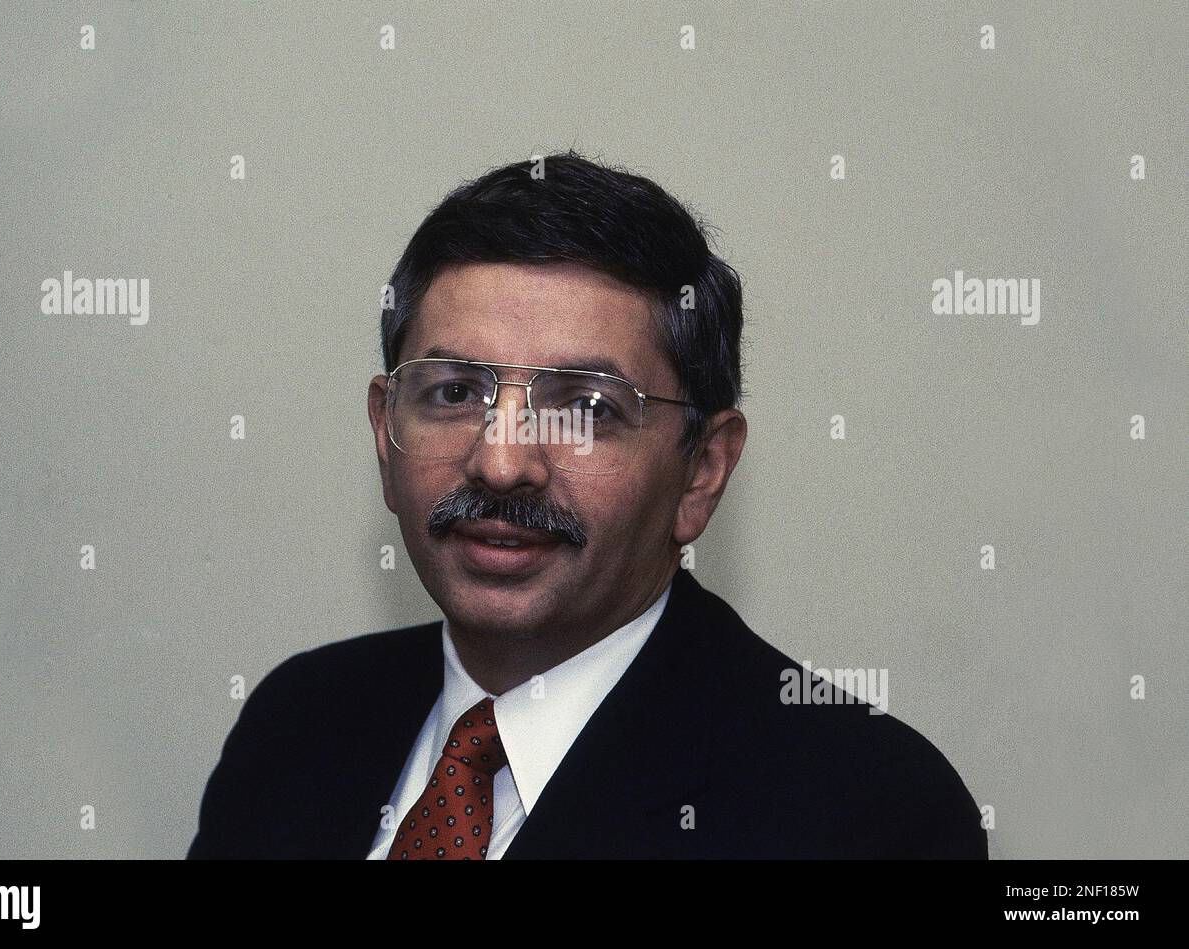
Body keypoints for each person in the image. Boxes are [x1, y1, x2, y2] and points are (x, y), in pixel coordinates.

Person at [188, 150, 987, 859]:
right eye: (456, 391)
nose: (501, 461)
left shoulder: (868, 818)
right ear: (385, 432)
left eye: (585, 408)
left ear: (702, 471)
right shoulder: (296, 725)